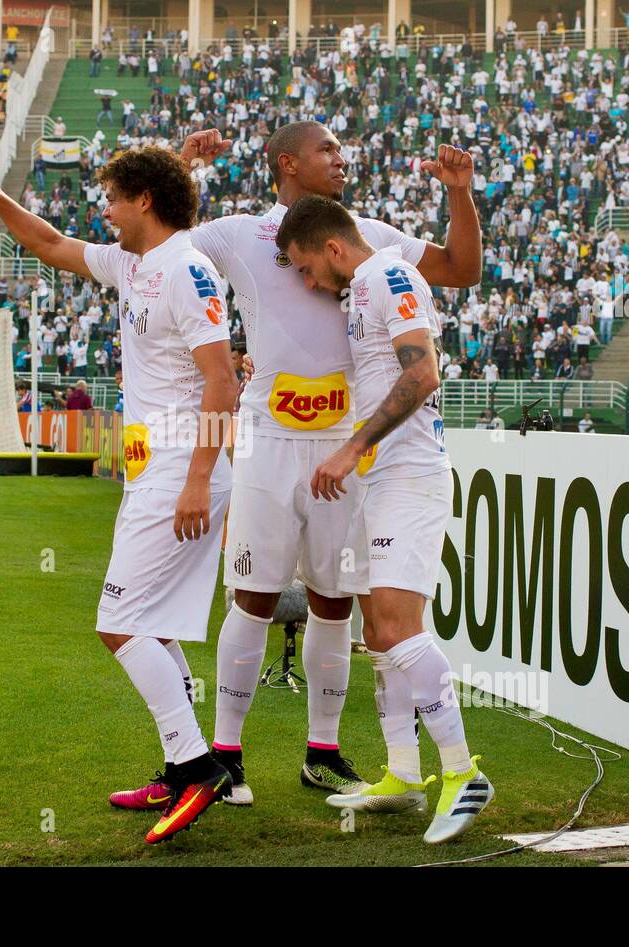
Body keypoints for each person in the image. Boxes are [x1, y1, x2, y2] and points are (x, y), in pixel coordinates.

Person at [170, 124, 480, 806]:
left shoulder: (370, 236)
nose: (343, 158)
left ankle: (324, 751)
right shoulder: (239, 234)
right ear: (288, 162)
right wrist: (183, 166)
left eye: (344, 149)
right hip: (269, 438)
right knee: (250, 594)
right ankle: (226, 756)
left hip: (349, 442)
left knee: (335, 601)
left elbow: (461, 269)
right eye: (328, 151)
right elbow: (166, 246)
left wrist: (461, 195)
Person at [0, 133, 240, 844]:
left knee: (118, 623)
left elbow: (222, 380)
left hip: (180, 467)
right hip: (150, 470)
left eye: (111, 198)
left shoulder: (187, 270)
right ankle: (181, 768)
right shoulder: (133, 262)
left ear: (143, 200)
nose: (102, 210)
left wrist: (198, 481)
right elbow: (47, 242)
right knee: (153, 625)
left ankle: (198, 767)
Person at [275, 196, 492, 844]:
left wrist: (351, 446)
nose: (309, 283)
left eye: (307, 268)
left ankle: (462, 772)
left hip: (409, 476)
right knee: (379, 630)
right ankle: (403, 773)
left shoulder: (388, 276)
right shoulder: (363, 287)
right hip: (381, 480)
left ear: (333, 248)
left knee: (397, 628)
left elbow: (422, 374)